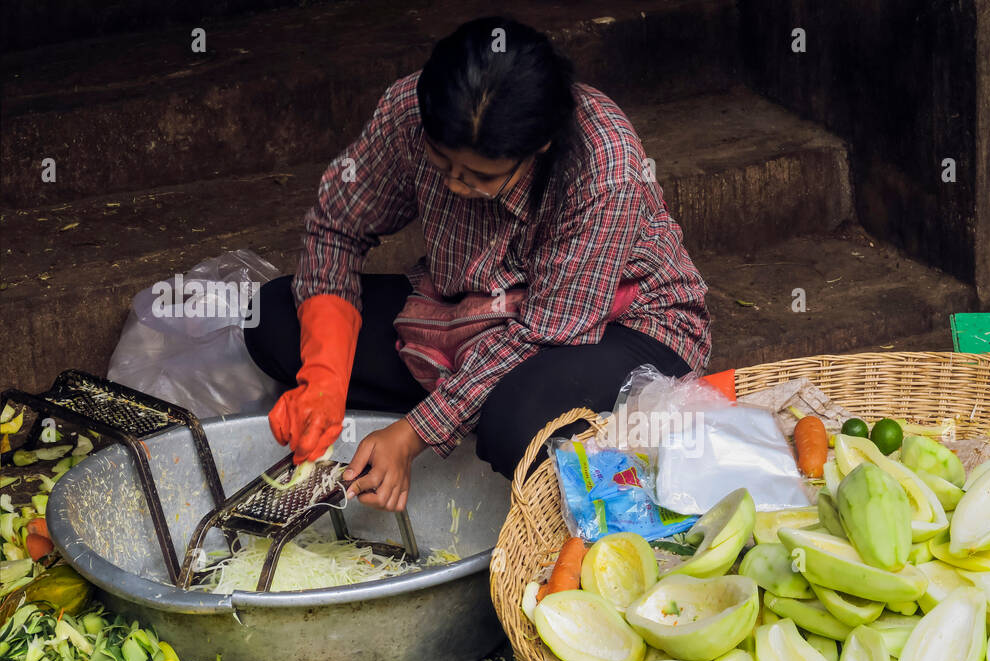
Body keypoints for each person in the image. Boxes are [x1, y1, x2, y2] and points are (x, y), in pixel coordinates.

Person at [245, 16, 710, 512]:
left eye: (480, 176)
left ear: (540, 148)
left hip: (612, 327)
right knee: (274, 318)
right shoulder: (412, 108)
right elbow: (338, 226)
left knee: (517, 423)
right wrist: (324, 378)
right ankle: (461, 408)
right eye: (442, 164)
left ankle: (473, 421)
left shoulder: (604, 167)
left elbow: (544, 334)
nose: (454, 186)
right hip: (468, 312)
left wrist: (412, 434)